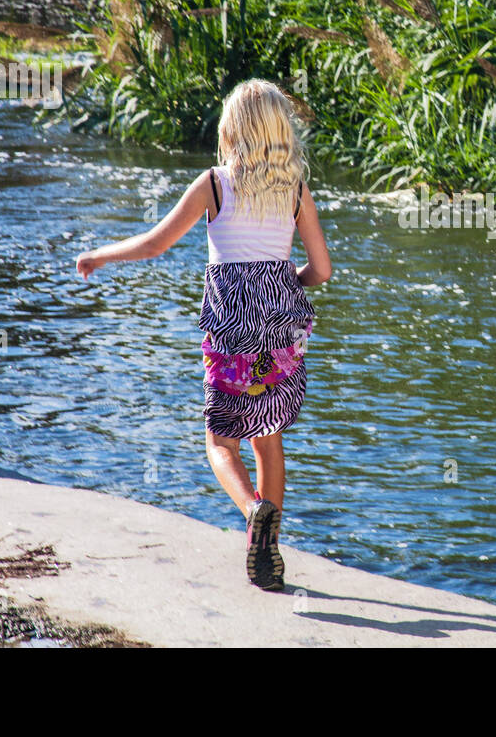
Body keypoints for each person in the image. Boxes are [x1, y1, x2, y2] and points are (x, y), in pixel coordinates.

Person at [75, 79, 332, 592]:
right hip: (281, 331)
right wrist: (286, 285)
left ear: (232, 130)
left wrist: (101, 255)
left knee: (220, 441)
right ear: (281, 132)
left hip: (231, 330)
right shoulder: (296, 190)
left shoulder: (215, 184)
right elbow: (322, 270)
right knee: (269, 437)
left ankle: (253, 510)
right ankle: (267, 556)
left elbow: (155, 244)